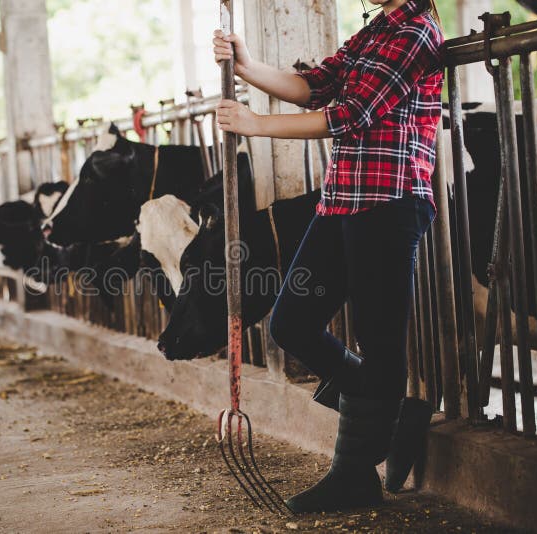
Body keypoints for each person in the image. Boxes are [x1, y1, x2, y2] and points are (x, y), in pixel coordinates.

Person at [213, 0, 444, 514]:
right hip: (342, 198)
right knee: (290, 323)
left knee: (378, 338)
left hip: (388, 201)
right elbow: (316, 85)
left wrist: (255, 124)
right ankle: (391, 413)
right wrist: (247, 64)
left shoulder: (416, 32)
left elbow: (348, 115)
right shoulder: (378, 29)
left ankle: (353, 475)